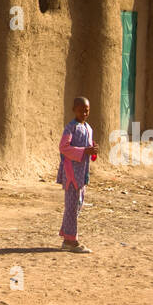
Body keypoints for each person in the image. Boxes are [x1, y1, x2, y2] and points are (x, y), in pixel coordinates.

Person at [56, 96, 96, 253]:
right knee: (72, 206)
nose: (84, 113)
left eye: (87, 110)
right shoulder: (70, 128)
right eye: (81, 110)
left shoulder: (88, 128)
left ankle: (67, 235)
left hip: (82, 173)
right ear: (74, 110)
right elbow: (63, 147)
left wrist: (92, 151)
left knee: (77, 204)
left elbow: (89, 149)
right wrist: (84, 151)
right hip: (72, 172)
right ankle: (71, 241)